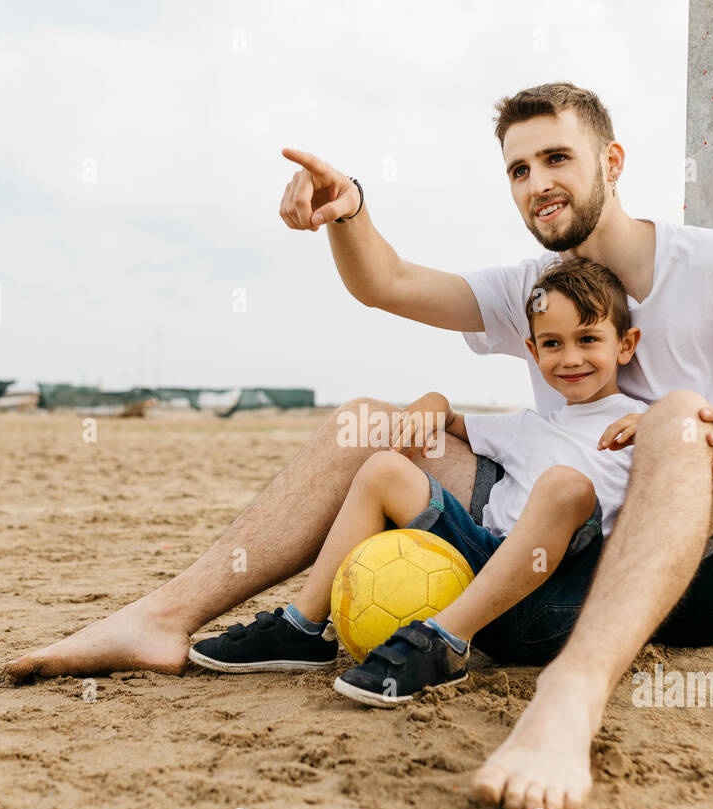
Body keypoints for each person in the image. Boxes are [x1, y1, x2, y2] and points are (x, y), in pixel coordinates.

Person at [4, 82, 713, 809]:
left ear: (612, 161)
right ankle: (164, 620)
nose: (538, 184)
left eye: (557, 158)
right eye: (518, 170)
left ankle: (569, 701)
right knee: (375, 422)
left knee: (676, 417)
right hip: (559, 558)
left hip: (705, 572)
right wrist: (350, 210)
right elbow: (390, 283)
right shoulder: (536, 289)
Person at [191, 258, 676, 706]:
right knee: (384, 469)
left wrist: (661, 433)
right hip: (483, 578)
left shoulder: (646, 422)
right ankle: (303, 629)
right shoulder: (531, 426)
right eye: (553, 343)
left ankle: (442, 645)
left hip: (558, 605)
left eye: (588, 339)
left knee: (566, 486)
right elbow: (453, 420)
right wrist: (434, 400)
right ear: (533, 350)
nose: (570, 357)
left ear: (626, 344)